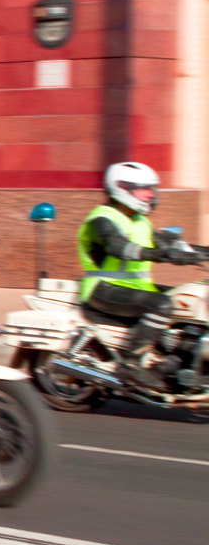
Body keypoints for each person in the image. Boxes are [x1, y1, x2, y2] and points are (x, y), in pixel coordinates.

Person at [77, 162, 204, 391]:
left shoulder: (139, 221)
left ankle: (173, 361)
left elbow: (172, 244)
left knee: (190, 299)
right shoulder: (101, 218)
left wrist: (201, 252)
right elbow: (119, 247)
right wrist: (161, 254)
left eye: (151, 189)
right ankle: (131, 363)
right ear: (121, 188)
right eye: (143, 189)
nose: (150, 195)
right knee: (162, 304)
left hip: (134, 287)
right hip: (103, 289)